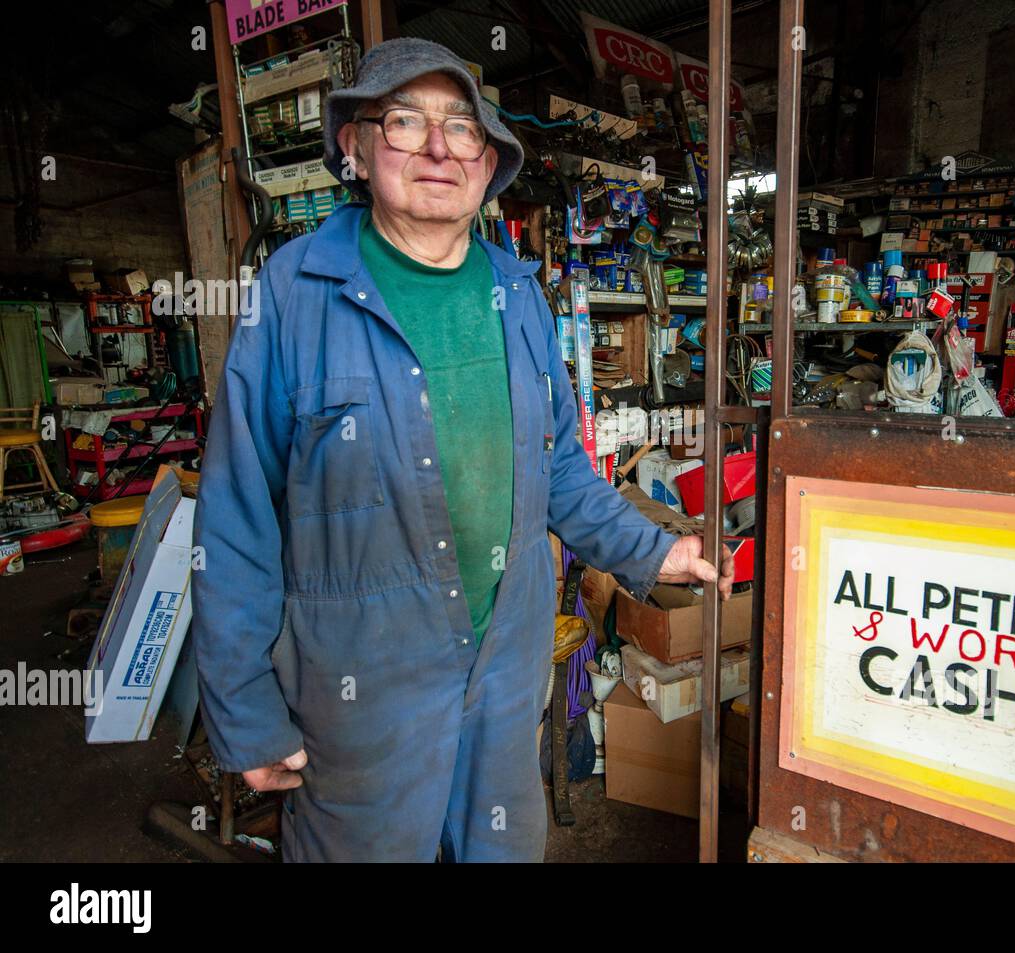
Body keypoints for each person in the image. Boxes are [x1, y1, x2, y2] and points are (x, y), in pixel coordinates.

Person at [191, 38, 733, 862]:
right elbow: (234, 519)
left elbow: (558, 474)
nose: (439, 147)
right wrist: (243, 707)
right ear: (356, 145)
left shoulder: (518, 295)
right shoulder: (295, 294)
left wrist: (656, 552)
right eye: (406, 121)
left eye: (462, 129)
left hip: (506, 678)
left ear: (489, 165)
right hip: (361, 694)